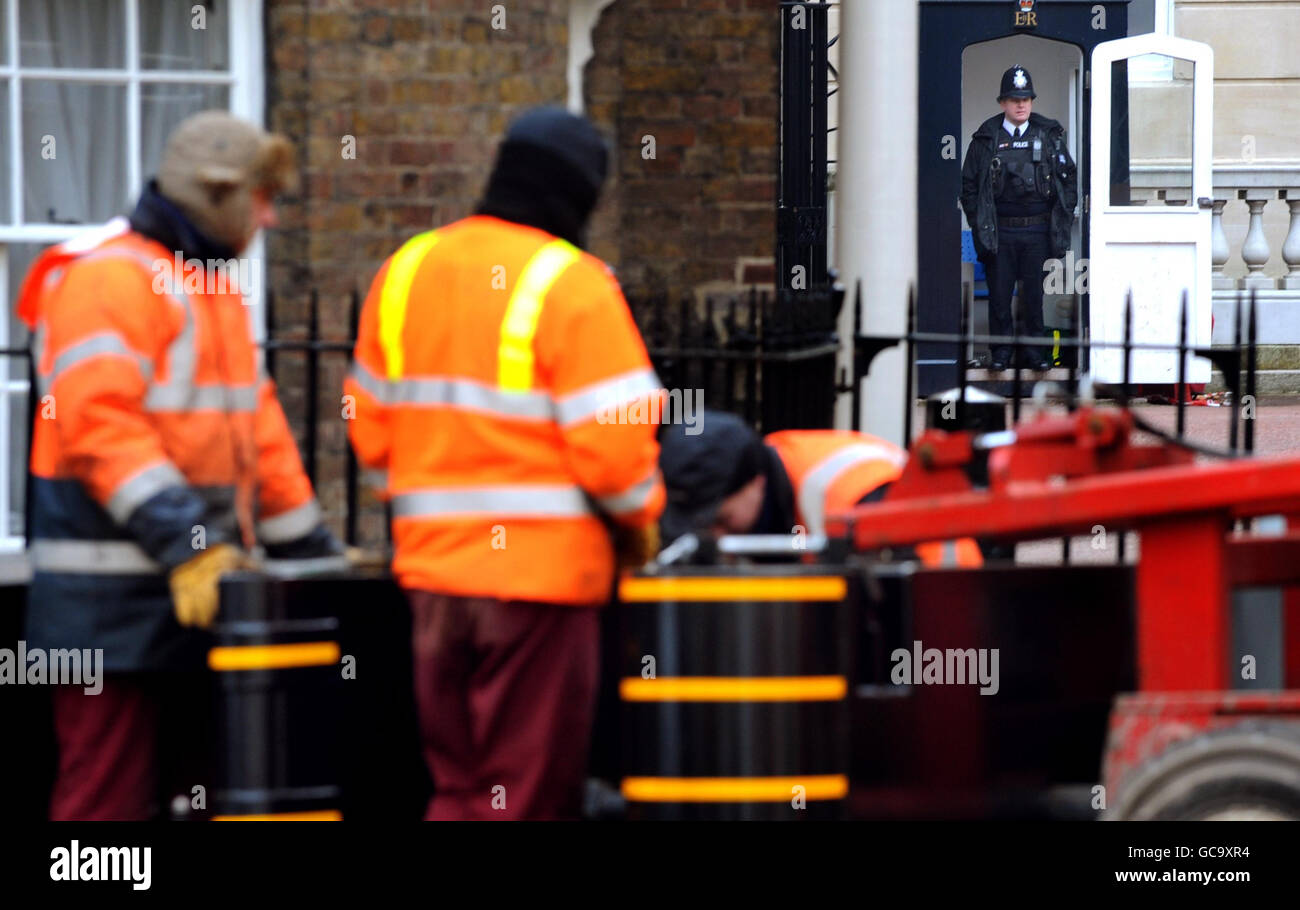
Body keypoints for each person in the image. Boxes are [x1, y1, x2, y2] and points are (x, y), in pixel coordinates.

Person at [18, 110, 343, 820]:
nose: (271, 218)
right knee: (105, 805)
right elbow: (100, 427)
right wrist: (193, 546)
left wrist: (317, 559)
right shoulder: (110, 280)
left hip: (189, 596)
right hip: (103, 610)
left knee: (190, 798)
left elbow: (262, 442)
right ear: (217, 195)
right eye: (262, 199)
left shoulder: (207, 290)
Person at [345, 106, 665, 821]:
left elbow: (369, 436)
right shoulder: (573, 283)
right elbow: (616, 455)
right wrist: (641, 522)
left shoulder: (405, 272)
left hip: (433, 584)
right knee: (525, 795)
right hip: (538, 591)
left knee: (459, 789)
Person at [659, 411, 981, 567]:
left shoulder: (848, 499)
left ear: (755, 483)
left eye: (722, 519)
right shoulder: (767, 465)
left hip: (945, 613)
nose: (717, 536)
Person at [961, 65, 1078, 372]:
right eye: (1014, 99)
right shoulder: (987, 138)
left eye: (1026, 98)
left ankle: (1034, 354)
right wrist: (980, 224)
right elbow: (969, 186)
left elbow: (1068, 180)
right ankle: (1001, 353)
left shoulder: (1049, 136)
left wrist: (1060, 222)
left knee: (1033, 298)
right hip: (1000, 231)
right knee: (1000, 298)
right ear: (1003, 103)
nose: (1021, 104)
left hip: (1037, 231)